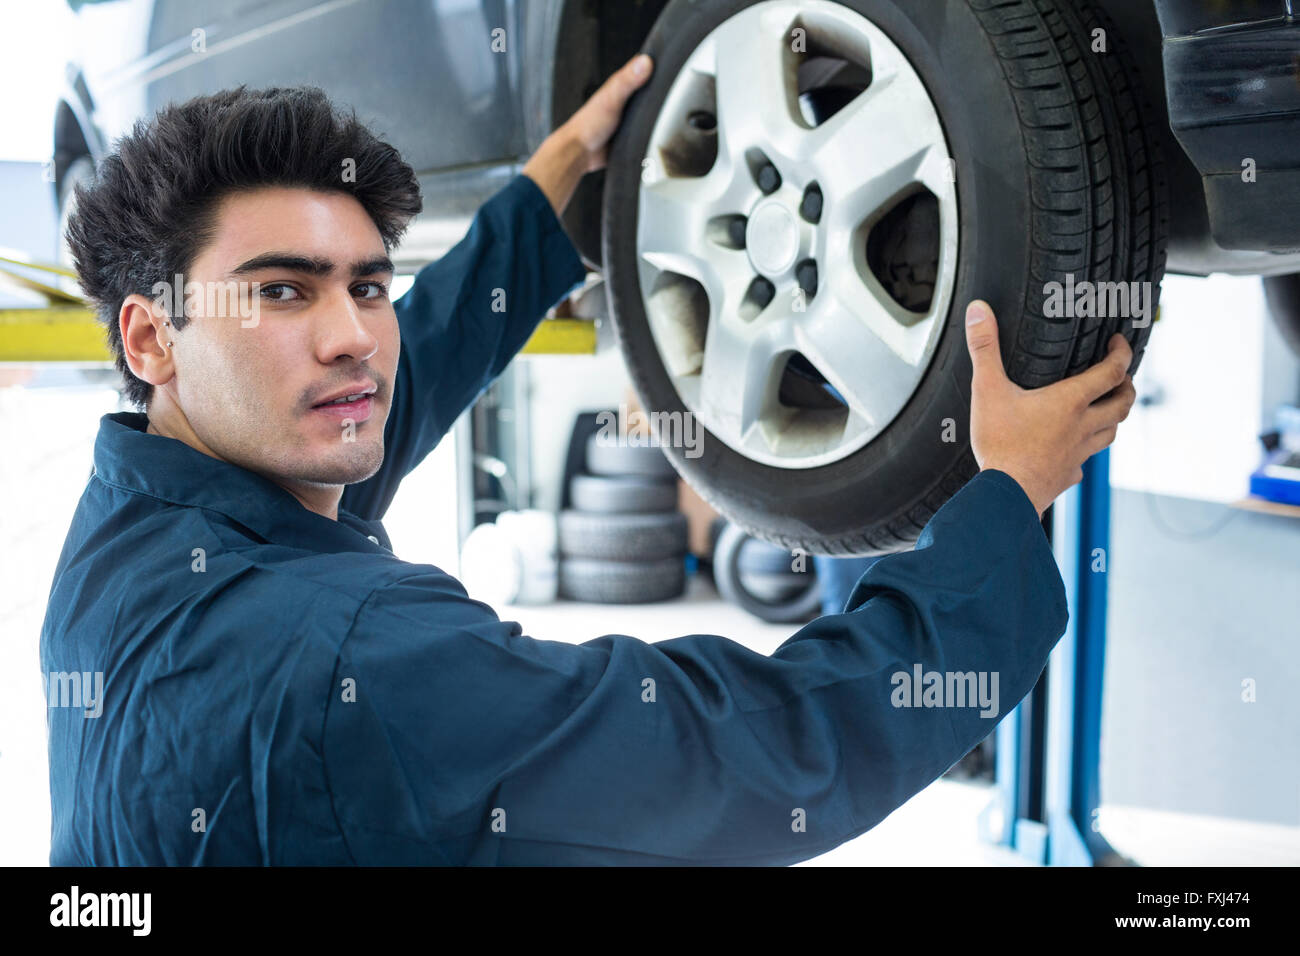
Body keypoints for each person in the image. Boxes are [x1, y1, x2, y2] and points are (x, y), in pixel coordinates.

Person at [41, 53, 1137, 865]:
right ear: (151, 337)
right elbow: (757, 750)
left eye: (368, 285)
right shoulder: (357, 659)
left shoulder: (131, 527)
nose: (352, 336)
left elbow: (390, 381)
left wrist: (545, 191)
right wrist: (1005, 500)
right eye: (283, 290)